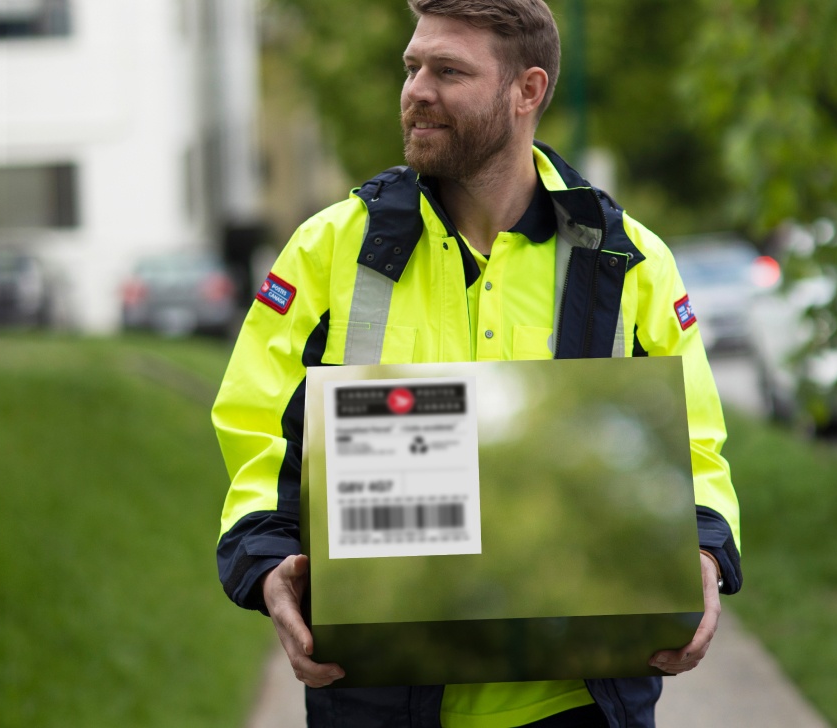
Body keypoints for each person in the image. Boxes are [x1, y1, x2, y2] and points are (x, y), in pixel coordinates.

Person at [212, 1, 742, 725]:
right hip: (378, 696)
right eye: (412, 66)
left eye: (448, 70)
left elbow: (694, 447)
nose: (416, 90)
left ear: (527, 91)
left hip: (580, 701)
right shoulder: (329, 250)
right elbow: (257, 426)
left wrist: (704, 558)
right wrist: (270, 565)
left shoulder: (629, 262)